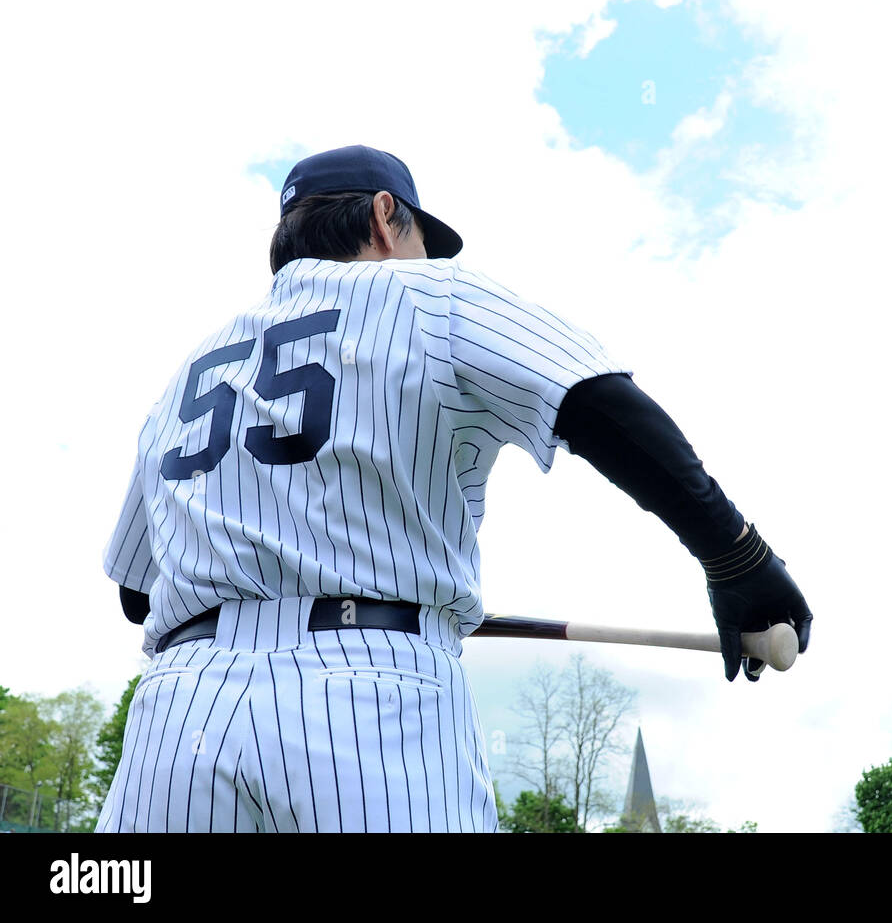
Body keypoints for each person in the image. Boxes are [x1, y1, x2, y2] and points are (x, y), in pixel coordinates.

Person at [97, 145, 813, 833]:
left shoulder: (192, 369)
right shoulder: (428, 294)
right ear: (385, 215)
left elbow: (137, 594)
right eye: (420, 238)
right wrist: (737, 559)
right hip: (365, 699)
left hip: (176, 714)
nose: (427, 257)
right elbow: (596, 402)